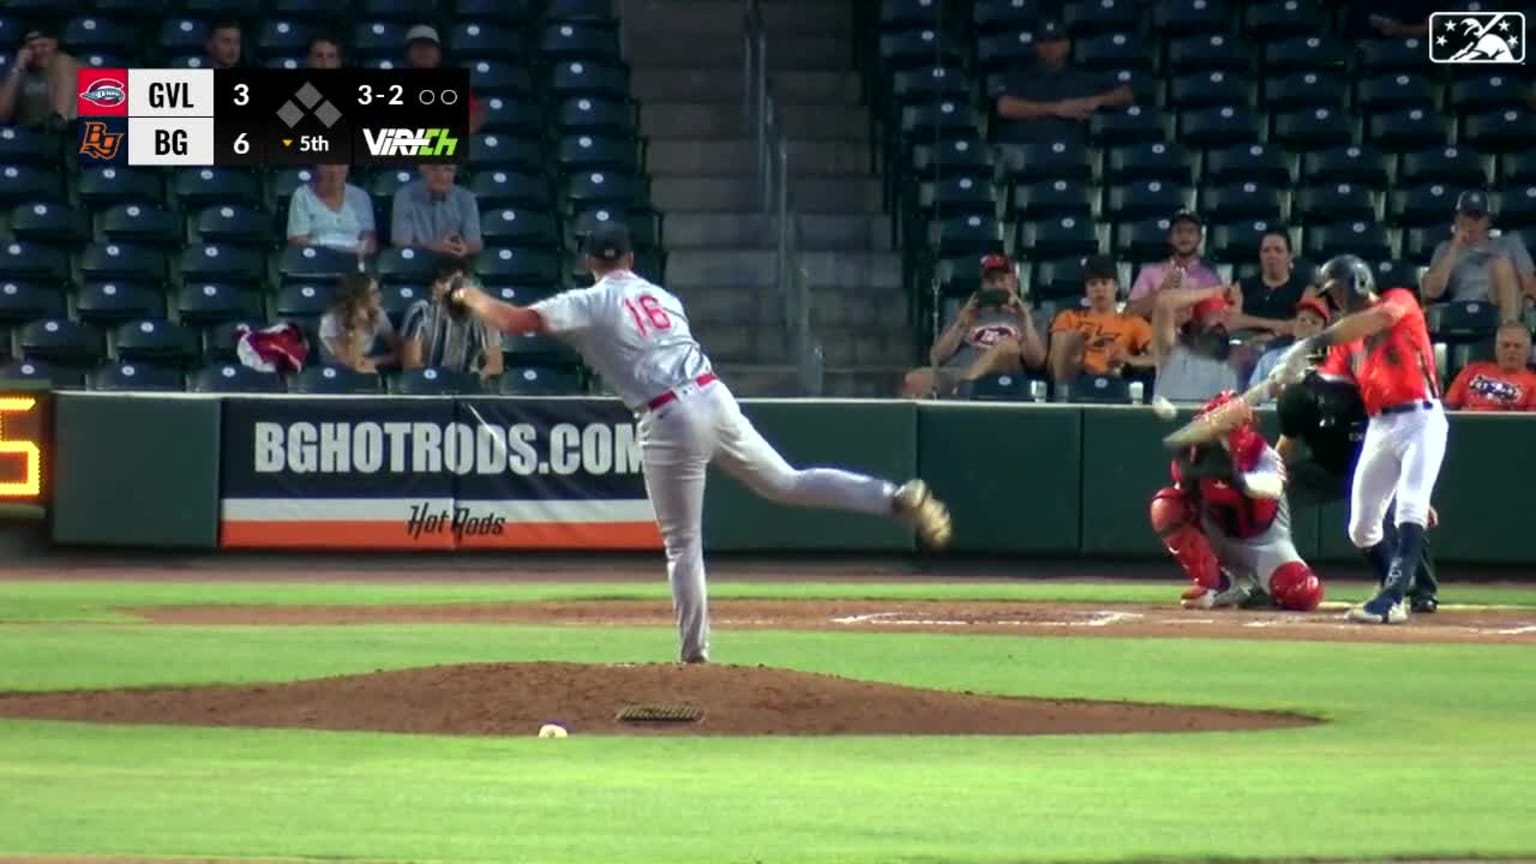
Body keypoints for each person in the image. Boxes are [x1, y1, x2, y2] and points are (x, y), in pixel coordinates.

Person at [447, 223, 954, 663]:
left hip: (669, 416)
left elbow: (516, 323)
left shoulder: (589, 299)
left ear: (588, 262)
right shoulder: (664, 298)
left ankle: (694, 654)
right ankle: (890, 497)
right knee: (787, 481)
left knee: (683, 543)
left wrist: (467, 295)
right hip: (715, 396)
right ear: (630, 258)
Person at [1268, 254, 1445, 625]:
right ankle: (1390, 588)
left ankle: (1394, 598)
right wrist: (1293, 374)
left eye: (1338, 290)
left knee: (1410, 508)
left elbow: (1378, 320)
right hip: (1381, 427)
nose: (1336, 299)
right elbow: (1329, 382)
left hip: (1420, 418)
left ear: (1358, 281)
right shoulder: (1347, 340)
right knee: (1362, 528)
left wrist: (1310, 344)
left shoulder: (1398, 300)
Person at [1275, 358, 1441, 613]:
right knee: (1276, 495)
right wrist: (1269, 485)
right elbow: (1286, 445)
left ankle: (1422, 591)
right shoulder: (1298, 397)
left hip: (1375, 467)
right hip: (1326, 469)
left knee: (1409, 509)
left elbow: (1400, 445)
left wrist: (1422, 498)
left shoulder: (1374, 391)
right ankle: (1271, 574)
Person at [1149, 390, 1324, 612]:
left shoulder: (1261, 453)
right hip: (1219, 534)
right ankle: (1216, 583)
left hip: (1264, 540)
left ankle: (1255, 586)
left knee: (1303, 592)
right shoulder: (1192, 457)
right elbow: (1179, 506)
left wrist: (1236, 479)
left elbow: (1273, 487)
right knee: (1164, 507)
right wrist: (1190, 473)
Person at [902, 253, 1046, 398]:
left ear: (1015, 283)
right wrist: (961, 324)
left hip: (1002, 378)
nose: (996, 285)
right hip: (958, 373)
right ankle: (962, 389)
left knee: (1008, 346)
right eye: (990, 281)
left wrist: (1024, 317)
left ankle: (964, 389)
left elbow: (1037, 361)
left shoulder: (1031, 316)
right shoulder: (967, 313)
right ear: (982, 285)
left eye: (1002, 280)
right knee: (914, 380)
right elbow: (936, 357)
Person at [992, 19, 1133, 144]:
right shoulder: (1017, 74)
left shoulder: (1082, 77)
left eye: (1056, 40)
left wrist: (1094, 101)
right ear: (1035, 45)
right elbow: (1004, 107)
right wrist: (1058, 108)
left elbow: (1125, 94)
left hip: (1072, 157)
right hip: (1021, 154)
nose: (1050, 47)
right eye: (1043, 41)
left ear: (1067, 45)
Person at [1420, 190, 1531, 324]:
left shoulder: (1509, 243)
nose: (1470, 222)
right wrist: (1455, 247)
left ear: (1488, 221)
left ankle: (1508, 329)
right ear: (1457, 218)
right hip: (1462, 310)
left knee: (1501, 265)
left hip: (1499, 308)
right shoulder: (1445, 249)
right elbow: (1431, 291)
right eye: (1466, 216)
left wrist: (1528, 303)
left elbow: (1530, 283)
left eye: (1477, 217)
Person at [1048, 253, 1154, 383]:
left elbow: (1159, 357)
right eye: (1093, 284)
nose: (1099, 289)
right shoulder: (1068, 317)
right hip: (1075, 380)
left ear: (1116, 286)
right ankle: (1076, 353)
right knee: (1071, 338)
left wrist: (1130, 359)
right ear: (1086, 289)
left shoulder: (1133, 322)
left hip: (1117, 380)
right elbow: (1053, 368)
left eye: (1104, 283)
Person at [401, 256, 504, 382]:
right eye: (442, 281)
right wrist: (440, 380)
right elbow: (410, 364)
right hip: (430, 384)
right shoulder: (420, 311)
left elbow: (495, 364)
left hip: (468, 384)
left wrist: (476, 379)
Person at [1151, 285, 1240, 405]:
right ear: (1197, 324)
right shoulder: (1171, 349)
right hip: (1171, 420)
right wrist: (1214, 291)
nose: (1222, 323)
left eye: (1224, 318)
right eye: (1216, 316)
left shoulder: (1234, 357)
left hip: (1212, 421)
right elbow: (1164, 301)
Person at [1127, 210, 1223, 318]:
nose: (1184, 236)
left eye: (1190, 231)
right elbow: (1129, 313)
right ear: (1169, 238)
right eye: (1178, 231)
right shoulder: (1150, 272)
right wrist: (1161, 292)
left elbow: (1218, 318)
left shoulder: (1210, 279)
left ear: (1200, 238)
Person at [1230, 229, 1318, 336]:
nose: (1272, 255)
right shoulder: (1241, 287)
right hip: (1246, 343)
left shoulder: (1306, 289)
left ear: (1289, 256)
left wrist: (1270, 335)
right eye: (1266, 250)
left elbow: (1303, 327)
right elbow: (1231, 322)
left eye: (1278, 250)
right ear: (1260, 255)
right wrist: (1276, 325)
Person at [390, 165, 483, 257]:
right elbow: (401, 244)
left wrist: (465, 247)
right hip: (418, 262)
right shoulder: (404, 196)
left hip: (454, 263)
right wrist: (432, 248)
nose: (441, 176)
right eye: (434, 169)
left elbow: (476, 244)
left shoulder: (466, 198)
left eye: (448, 170)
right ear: (422, 169)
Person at [1247, 297, 1331, 398]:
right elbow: (1251, 394)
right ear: (1294, 325)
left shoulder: (1329, 361)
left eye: (1314, 322)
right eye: (1302, 319)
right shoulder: (1269, 358)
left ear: (1323, 332)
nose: (1307, 325)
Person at [1444, 322, 1536, 412]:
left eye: (1517, 346)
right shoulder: (1471, 371)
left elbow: (1529, 423)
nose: (1511, 350)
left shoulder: (1533, 383)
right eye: (1505, 345)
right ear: (1496, 348)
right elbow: (1448, 409)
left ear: (1528, 351)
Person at [285, 164, 376, 256]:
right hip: (317, 259)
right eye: (330, 165)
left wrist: (365, 246)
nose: (336, 171)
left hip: (353, 259)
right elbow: (297, 240)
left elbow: (369, 238)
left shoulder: (360, 196)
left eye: (341, 165)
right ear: (319, 167)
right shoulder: (302, 195)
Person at [318, 273, 399, 373]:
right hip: (335, 371)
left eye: (378, 290)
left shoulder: (378, 314)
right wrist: (359, 328)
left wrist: (375, 361)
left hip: (363, 363)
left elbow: (400, 351)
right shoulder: (330, 321)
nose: (379, 296)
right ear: (358, 298)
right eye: (373, 292)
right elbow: (350, 363)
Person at [0, 25, 77, 129]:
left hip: (69, 134)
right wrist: (18, 67)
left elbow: (100, 107)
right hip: (29, 135)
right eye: (32, 48)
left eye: (44, 46)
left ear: (54, 44)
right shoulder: (18, 75)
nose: (38, 52)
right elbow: (2, 115)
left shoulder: (71, 65)